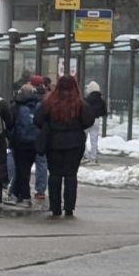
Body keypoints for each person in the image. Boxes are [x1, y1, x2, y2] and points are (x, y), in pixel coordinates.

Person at [38, 73, 96, 219]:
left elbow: (38, 119)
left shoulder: (49, 102)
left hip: (54, 143)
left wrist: (50, 126)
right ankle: (69, 207)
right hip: (75, 143)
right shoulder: (79, 103)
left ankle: (55, 207)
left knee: (55, 175)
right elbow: (89, 120)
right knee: (71, 175)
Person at [6, 74, 45, 205]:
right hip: (35, 143)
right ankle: (19, 193)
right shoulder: (40, 106)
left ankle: (24, 196)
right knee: (27, 169)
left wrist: (10, 138)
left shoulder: (16, 107)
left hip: (20, 143)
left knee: (21, 170)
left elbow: (10, 124)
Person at [84, 80, 109, 155]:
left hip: (86, 120)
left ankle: (84, 154)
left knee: (83, 138)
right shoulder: (101, 100)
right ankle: (93, 156)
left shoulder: (87, 99)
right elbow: (104, 112)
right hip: (96, 120)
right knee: (94, 139)